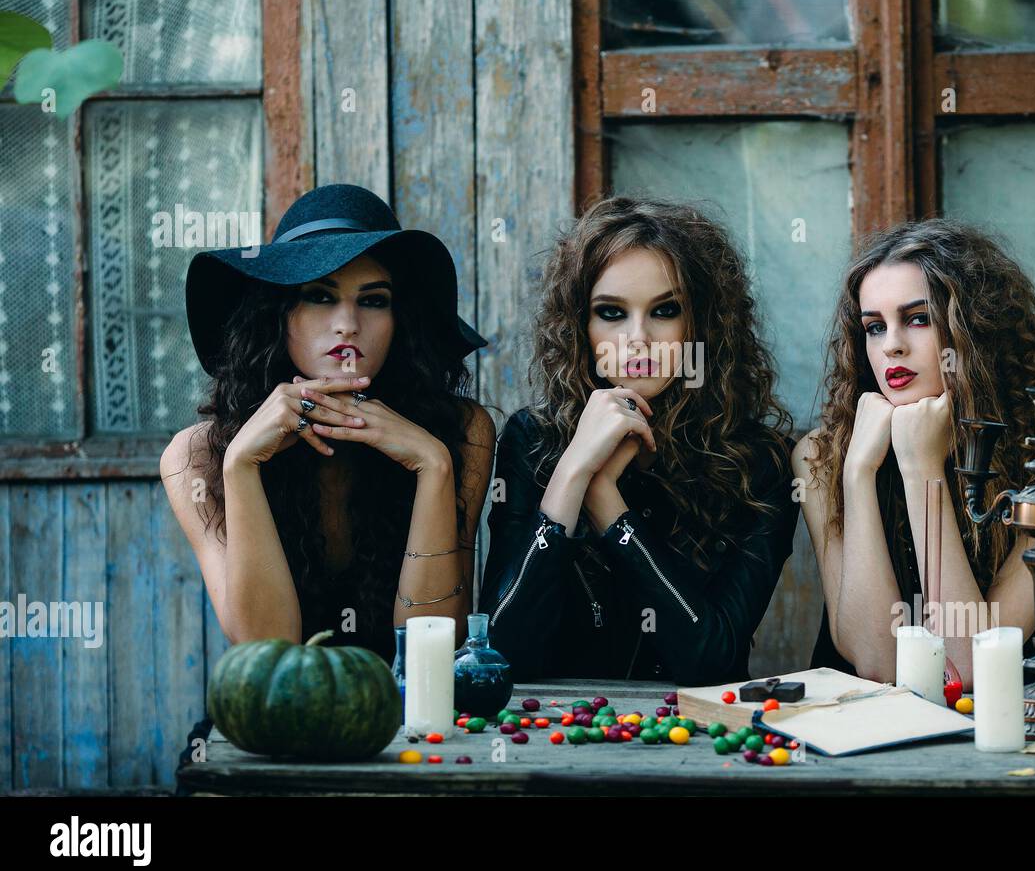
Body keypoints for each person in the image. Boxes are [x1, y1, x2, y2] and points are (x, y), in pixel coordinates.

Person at [165, 184, 493, 782]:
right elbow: (269, 656)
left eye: (374, 299)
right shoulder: (197, 457)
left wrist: (432, 466)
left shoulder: (461, 432)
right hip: (272, 743)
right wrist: (243, 468)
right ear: (277, 315)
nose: (347, 324)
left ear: (402, 319)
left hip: (413, 736)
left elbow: (434, 648)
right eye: (319, 296)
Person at [481, 196, 799, 686]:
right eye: (611, 312)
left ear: (703, 324)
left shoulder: (759, 462)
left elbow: (708, 659)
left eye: (665, 310)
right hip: (554, 744)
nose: (638, 340)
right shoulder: (533, 440)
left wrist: (604, 495)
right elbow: (503, 656)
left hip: (698, 744)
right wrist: (572, 473)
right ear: (580, 327)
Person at [794, 218, 1035, 688]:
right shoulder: (821, 454)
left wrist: (922, 468)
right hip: (851, 738)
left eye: (918, 319)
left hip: (985, 738)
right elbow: (876, 661)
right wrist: (859, 470)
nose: (893, 345)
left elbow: (968, 665)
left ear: (976, 332)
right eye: (874, 327)